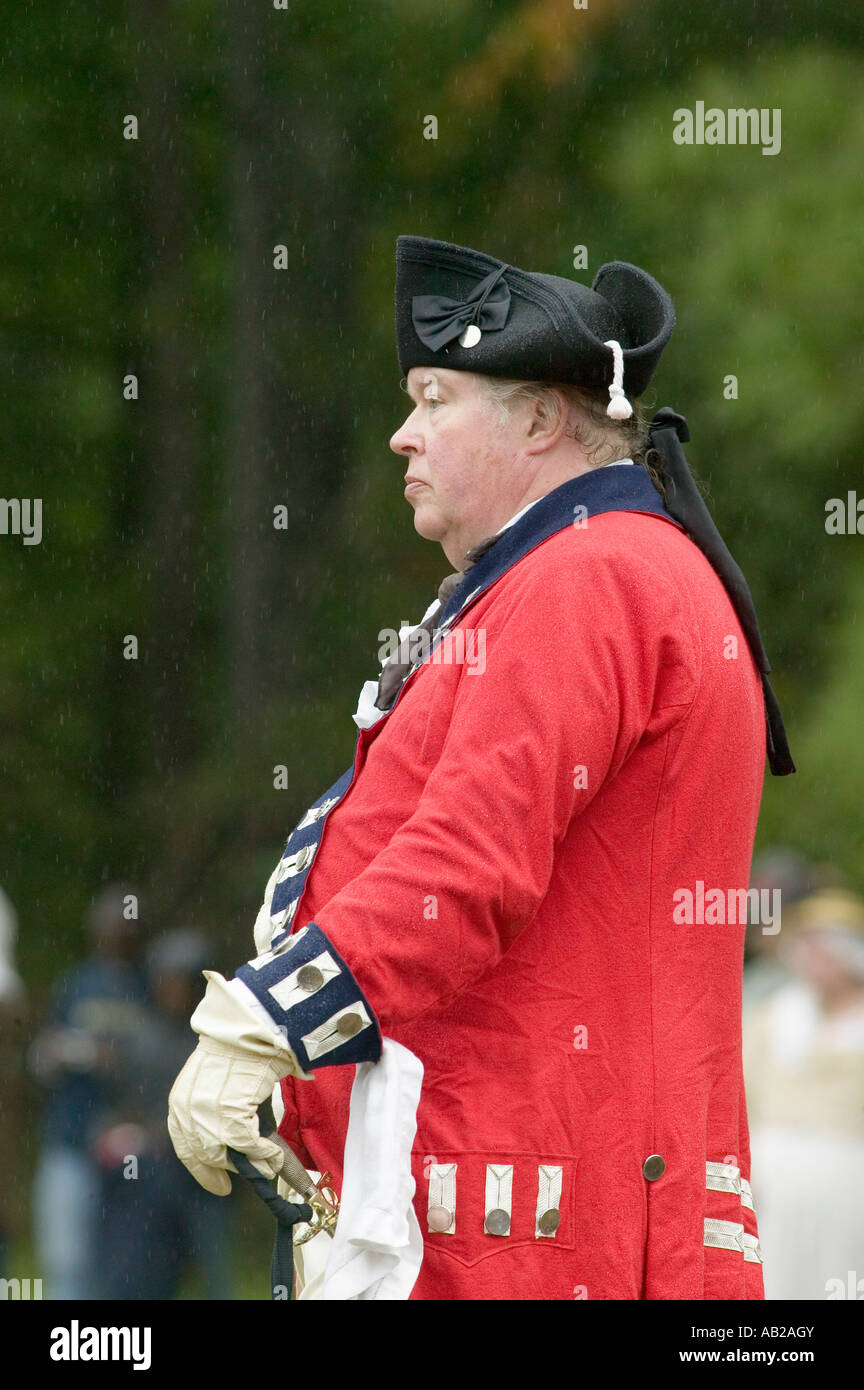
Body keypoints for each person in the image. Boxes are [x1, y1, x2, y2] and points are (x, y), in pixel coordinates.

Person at [168, 237, 794, 1300]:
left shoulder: (588, 575)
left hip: (540, 1222)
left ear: (542, 418)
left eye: (433, 396)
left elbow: (466, 869)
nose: (401, 435)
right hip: (560, 1203)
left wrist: (268, 1021)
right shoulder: (603, 568)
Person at [93, 929, 234, 1299]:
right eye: (165, 981)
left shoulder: (217, 1043)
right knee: (143, 1275)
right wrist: (121, 1135)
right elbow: (118, 1109)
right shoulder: (140, 1041)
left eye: (180, 981)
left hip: (205, 1182)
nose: (171, 990)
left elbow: (225, 1116)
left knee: (215, 1276)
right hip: (150, 1184)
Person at [29, 884, 149, 1299]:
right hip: (69, 1140)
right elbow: (40, 1059)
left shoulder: (145, 989)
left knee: (124, 1264)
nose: (115, 930)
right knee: (67, 1263)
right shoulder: (74, 985)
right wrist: (71, 1052)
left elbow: (157, 1064)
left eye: (124, 921)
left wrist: (120, 1063)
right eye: (108, 921)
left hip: (126, 1150)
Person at [744, 888, 864, 1299]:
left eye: (825, 949)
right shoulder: (775, 1015)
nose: (814, 960)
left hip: (847, 1181)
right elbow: (744, 1094)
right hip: (771, 1176)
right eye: (807, 948)